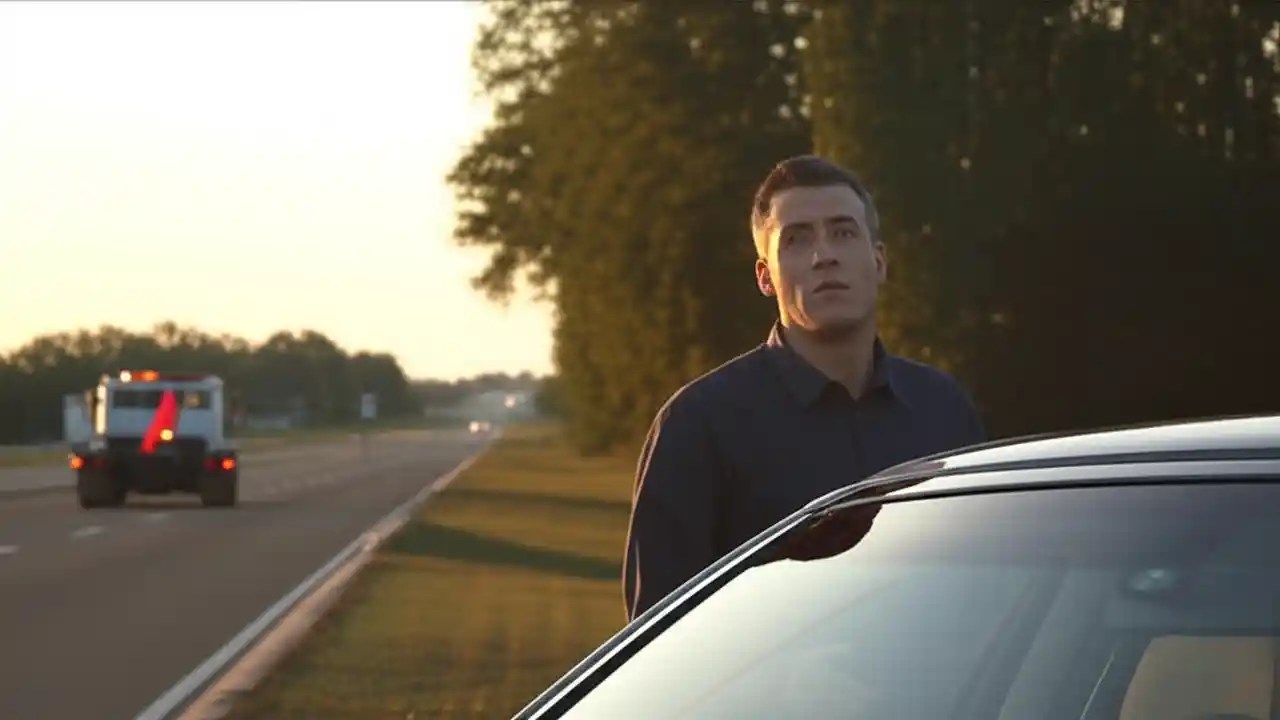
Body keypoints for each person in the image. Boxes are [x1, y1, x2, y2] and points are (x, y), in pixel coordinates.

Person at [622, 155, 986, 621]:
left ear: (879, 262)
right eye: (796, 240)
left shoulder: (945, 410)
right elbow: (656, 643)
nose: (824, 255)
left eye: (843, 232)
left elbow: (980, 594)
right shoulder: (698, 426)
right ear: (765, 278)